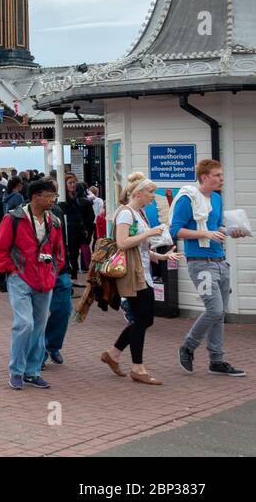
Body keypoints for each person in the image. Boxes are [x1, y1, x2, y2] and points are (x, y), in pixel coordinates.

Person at [171, 159, 245, 376]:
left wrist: (232, 231)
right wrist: (204, 233)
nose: (221, 179)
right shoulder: (188, 199)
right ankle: (188, 346)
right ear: (204, 177)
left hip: (220, 261)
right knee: (214, 309)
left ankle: (216, 360)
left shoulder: (216, 198)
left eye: (221, 175)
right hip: (200, 263)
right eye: (217, 175)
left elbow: (215, 227)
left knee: (219, 313)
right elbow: (176, 230)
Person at [99, 176, 172, 385]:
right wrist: (149, 232)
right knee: (142, 319)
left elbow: (142, 249)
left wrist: (162, 256)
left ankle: (113, 354)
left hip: (142, 272)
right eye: (150, 192)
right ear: (137, 193)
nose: (152, 196)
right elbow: (122, 243)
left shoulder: (139, 214)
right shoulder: (125, 213)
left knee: (144, 319)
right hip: (132, 274)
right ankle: (137, 368)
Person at [0, 178, 64, 390]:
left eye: (54, 196)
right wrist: (12, 270)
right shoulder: (14, 219)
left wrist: (54, 269)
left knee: (39, 328)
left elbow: (59, 250)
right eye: (50, 196)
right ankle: (16, 370)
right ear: (36, 196)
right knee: (25, 324)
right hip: (20, 278)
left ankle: (31, 372)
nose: (53, 200)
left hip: (45, 279)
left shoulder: (55, 222)